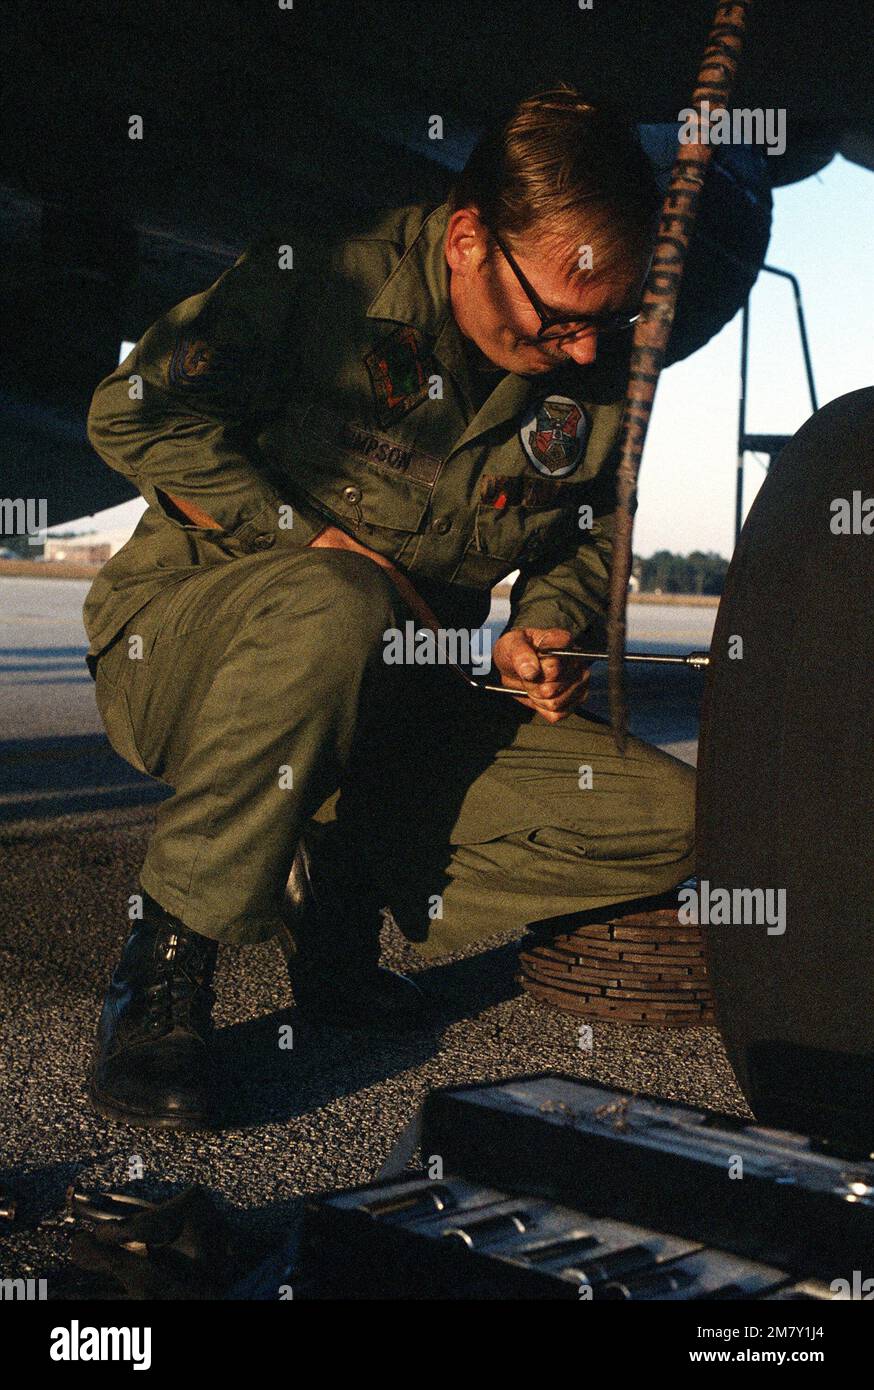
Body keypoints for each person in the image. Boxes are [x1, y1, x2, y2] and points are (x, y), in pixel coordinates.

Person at [83, 87, 695, 1129]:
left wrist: (545, 625)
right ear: (467, 242)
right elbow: (134, 416)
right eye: (563, 316)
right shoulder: (323, 277)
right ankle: (162, 966)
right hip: (187, 656)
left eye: (612, 320)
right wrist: (305, 540)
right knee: (339, 598)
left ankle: (335, 886)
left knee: (669, 822)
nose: (590, 350)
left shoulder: (584, 384)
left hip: (382, 709)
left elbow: (590, 532)